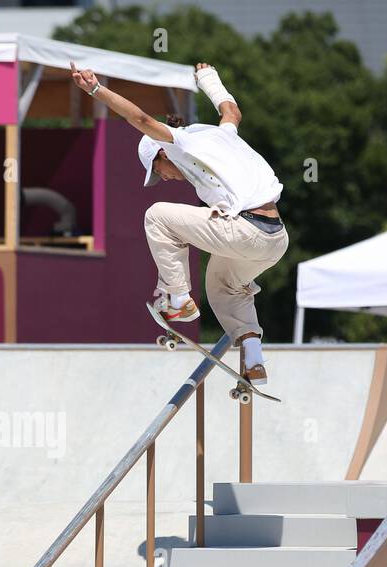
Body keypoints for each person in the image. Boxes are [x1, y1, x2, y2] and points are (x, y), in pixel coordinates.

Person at [70, 60, 286, 384]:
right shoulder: (218, 135)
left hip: (245, 229)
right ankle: (254, 361)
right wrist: (209, 79)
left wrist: (96, 89)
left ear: (162, 154)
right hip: (275, 239)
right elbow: (231, 111)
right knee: (223, 287)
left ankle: (179, 298)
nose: (167, 178)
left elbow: (139, 118)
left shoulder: (178, 142)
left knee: (156, 216)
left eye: (159, 171)